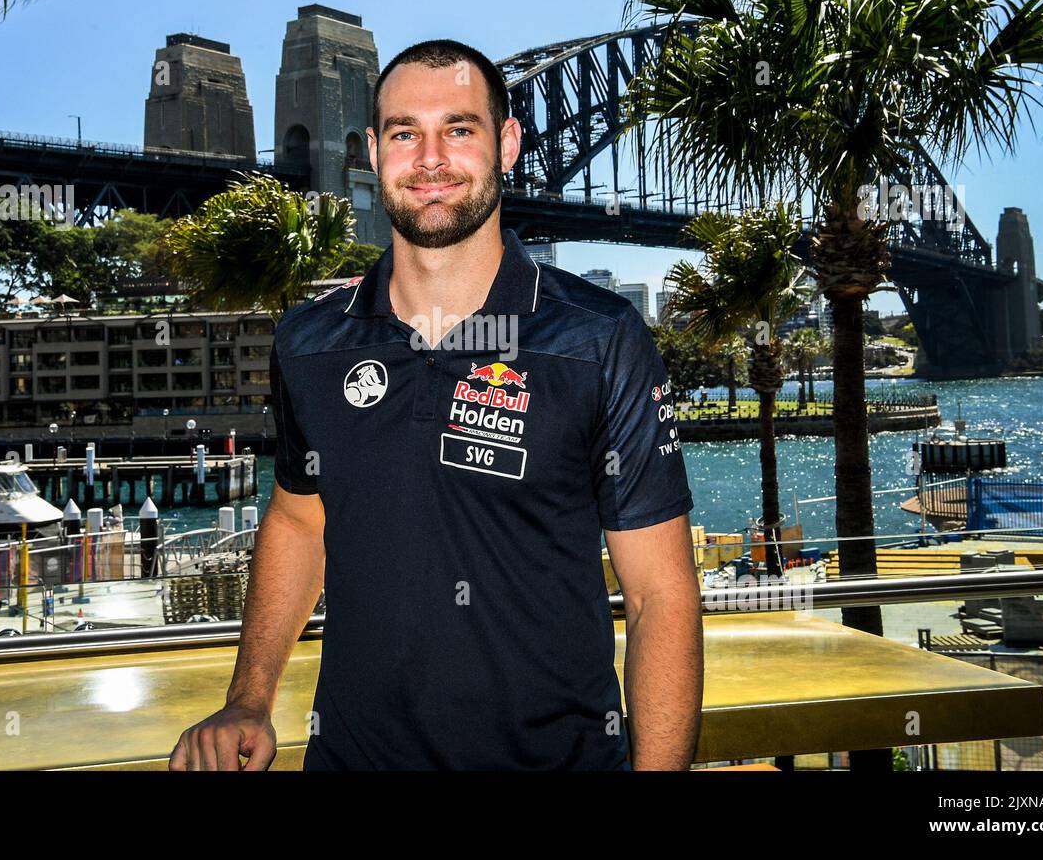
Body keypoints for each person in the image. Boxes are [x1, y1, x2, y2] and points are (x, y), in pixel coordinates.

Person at [169, 39, 703, 771]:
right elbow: (298, 521)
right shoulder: (310, 342)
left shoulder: (597, 340)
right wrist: (249, 696)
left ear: (508, 144)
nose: (430, 159)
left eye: (459, 129)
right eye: (403, 133)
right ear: (371, 151)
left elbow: (659, 598)